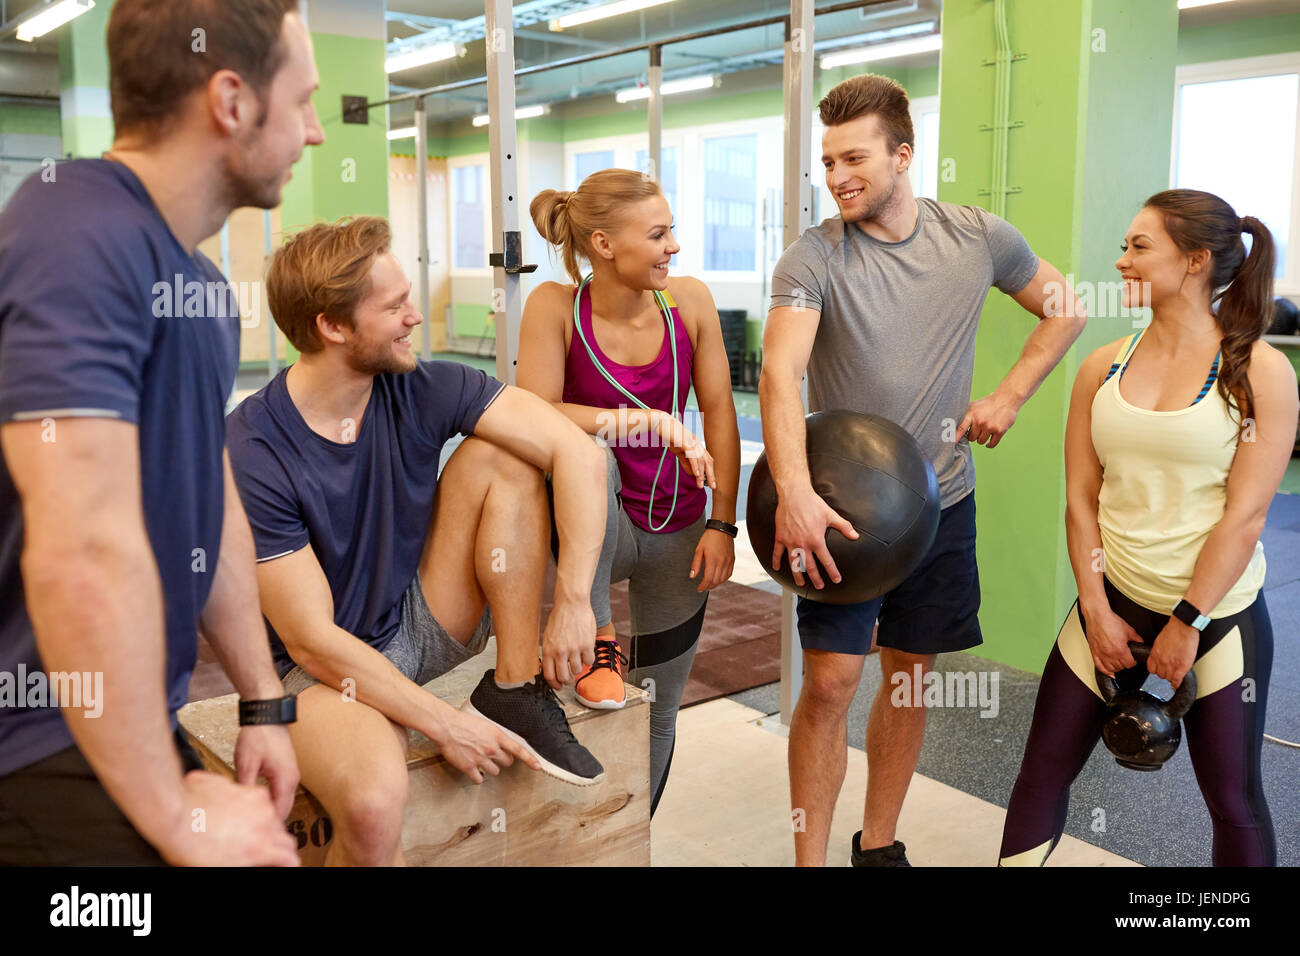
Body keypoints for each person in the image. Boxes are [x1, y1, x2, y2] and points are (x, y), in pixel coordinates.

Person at [0, 0, 319, 866]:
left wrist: (261, 702)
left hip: (125, 711)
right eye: (303, 102)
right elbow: (81, 551)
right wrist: (177, 819)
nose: (318, 133)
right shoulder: (74, 233)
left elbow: (205, 505)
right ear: (231, 100)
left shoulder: (203, 291)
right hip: (35, 742)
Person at [762, 73, 1086, 867]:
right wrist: (795, 493)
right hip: (842, 511)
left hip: (942, 502)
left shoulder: (976, 237)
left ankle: (878, 848)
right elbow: (778, 372)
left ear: (904, 155)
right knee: (833, 684)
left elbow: (1065, 305)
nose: (837, 177)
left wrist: (1010, 394)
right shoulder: (814, 258)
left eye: (855, 159)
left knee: (909, 679)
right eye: (828, 162)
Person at [227, 215, 610, 866]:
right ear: (333, 326)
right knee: (376, 805)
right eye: (396, 305)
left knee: (508, 456)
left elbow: (576, 452)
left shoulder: (423, 384)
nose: (415, 317)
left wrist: (574, 598)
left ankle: (515, 688)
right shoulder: (253, 448)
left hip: (415, 616)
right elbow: (310, 640)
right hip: (318, 673)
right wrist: (442, 721)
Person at [999, 190, 1296, 867]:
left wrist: (1187, 622)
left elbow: (1246, 517)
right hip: (1112, 604)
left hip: (1216, 619)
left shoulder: (1260, 374)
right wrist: (1096, 608)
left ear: (1195, 261)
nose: (1120, 259)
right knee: (1040, 773)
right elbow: (1080, 499)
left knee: (1234, 799)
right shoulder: (1101, 368)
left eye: (1138, 246)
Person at [519, 168, 740, 815]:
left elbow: (721, 413)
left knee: (659, 707)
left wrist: (723, 525)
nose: (674, 246)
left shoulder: (689, 304)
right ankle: (599, 633)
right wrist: (649, 421)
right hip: (595, 533)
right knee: (589, 455)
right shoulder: (555, 307)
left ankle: (630, 841)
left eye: (671, 230)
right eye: (658, 233)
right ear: (604, 244)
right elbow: (531, 411)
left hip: (677, 527)